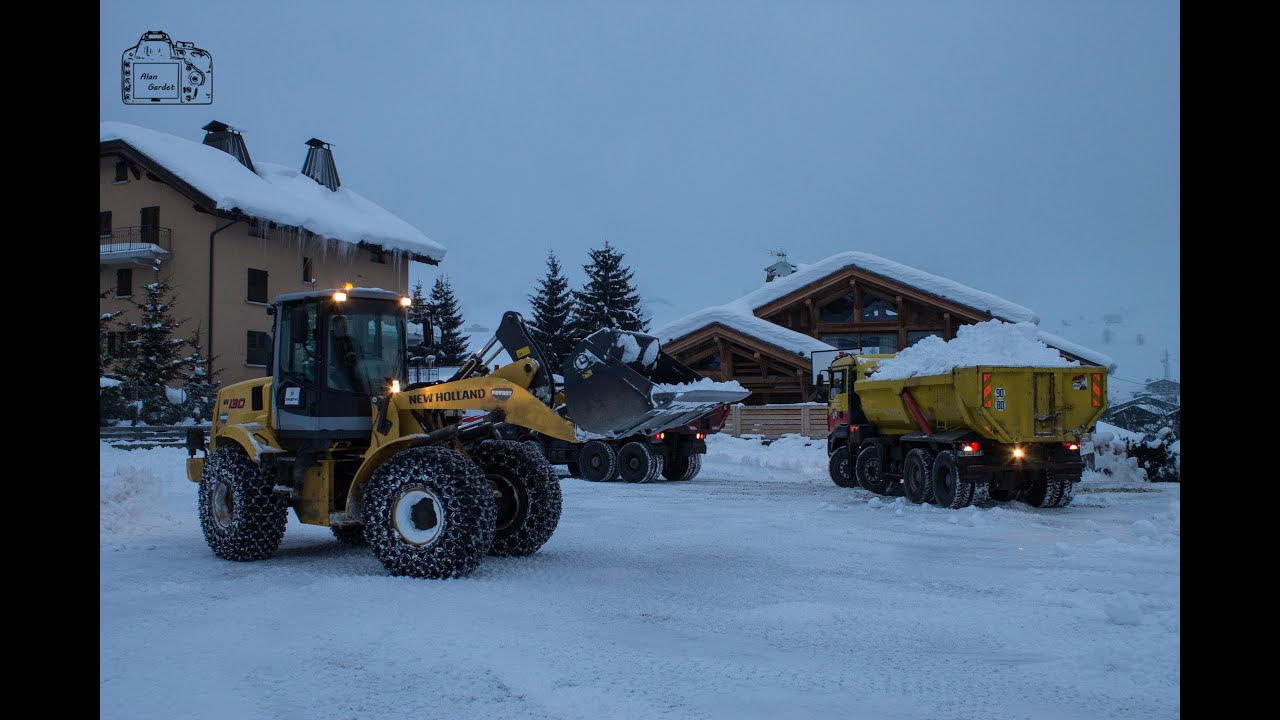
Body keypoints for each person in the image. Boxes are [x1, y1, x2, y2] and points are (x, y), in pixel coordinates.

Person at [329, 315, 361, 391]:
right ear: (335, 327)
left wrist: (354, 358)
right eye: (343, 327)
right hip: (330, 381)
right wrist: (327, 367)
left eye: (346, 326)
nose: (346, 329)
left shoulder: (351, 341)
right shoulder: (326, 341)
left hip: (350, 378)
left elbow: (360, 360)